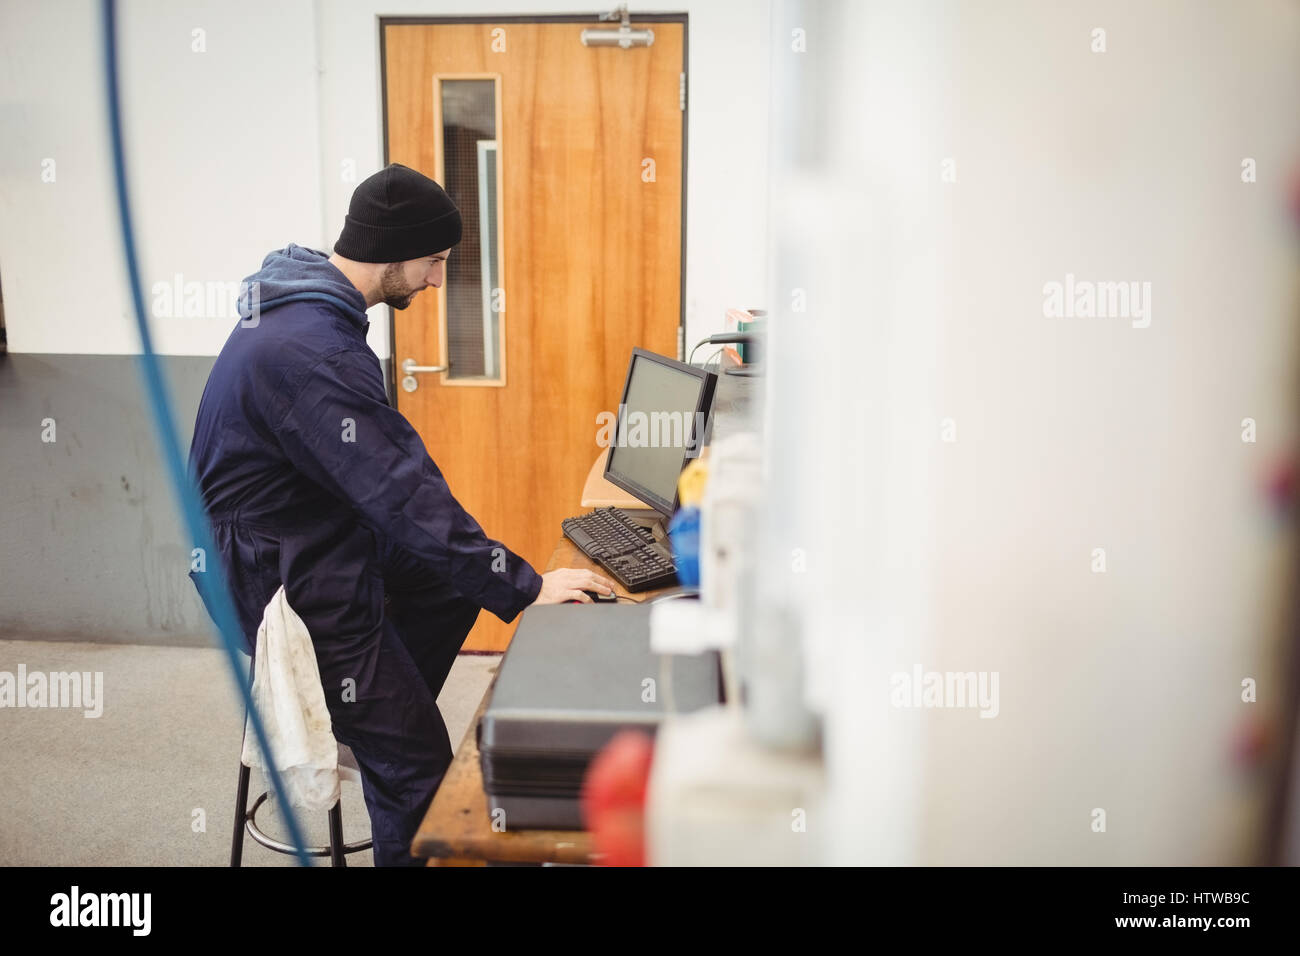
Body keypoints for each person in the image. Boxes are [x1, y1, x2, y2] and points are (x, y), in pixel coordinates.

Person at [188, 163, 614, 866]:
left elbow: (390, 490)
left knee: (443, 576)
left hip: (298, 539)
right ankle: (379, 723)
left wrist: (490, 575)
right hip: (278, 583)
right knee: (419, 767)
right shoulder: (313, 352)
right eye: (435, 262)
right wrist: (529, 586)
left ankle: (367, 710)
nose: (439, 281)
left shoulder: (308, 310)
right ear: (393, 251)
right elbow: (400, 492)